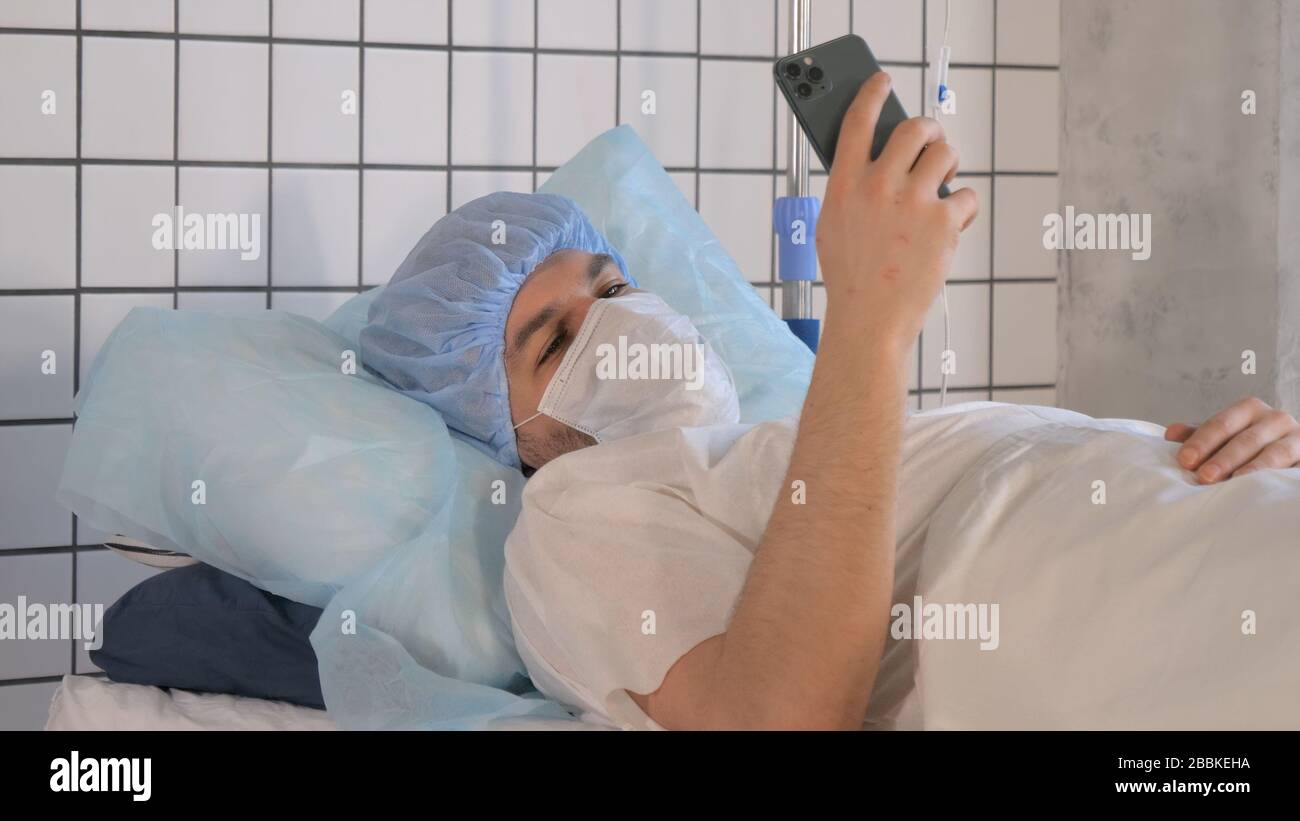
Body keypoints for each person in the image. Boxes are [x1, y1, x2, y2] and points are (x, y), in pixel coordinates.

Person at [360, 73, 1300, 730]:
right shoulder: (566, 521)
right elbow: (776, 720)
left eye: (612, 290)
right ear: (503, 428)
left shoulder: (770, 447)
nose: (618, 324)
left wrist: (1217, 458)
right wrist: (869, 322)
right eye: (557, 341)